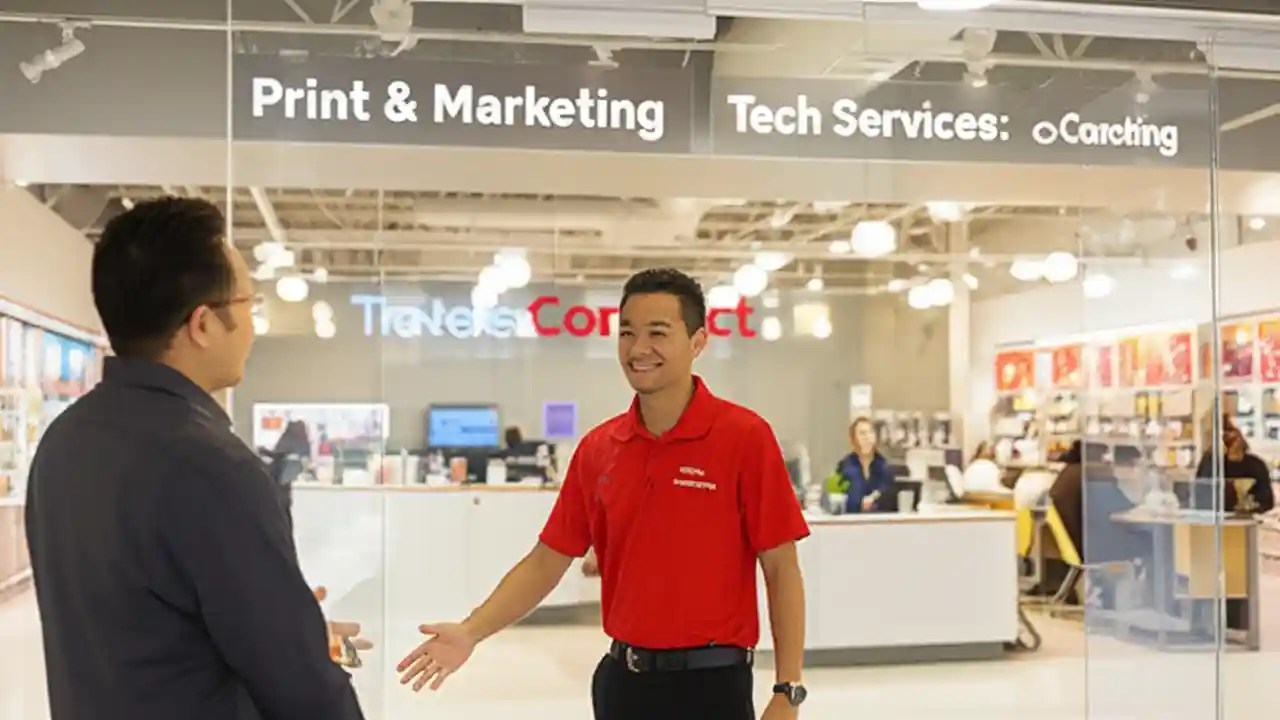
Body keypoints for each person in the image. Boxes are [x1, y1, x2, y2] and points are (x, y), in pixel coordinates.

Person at [397, 268, 811, 720]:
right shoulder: (600, 449)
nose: (638, 349)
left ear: (698, 342)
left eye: (658, 333)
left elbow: (781, 567)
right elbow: (545, 561)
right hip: (622, 684)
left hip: (710, 686)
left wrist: (787, 689)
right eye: (626, 333)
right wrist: (472, 631)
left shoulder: (744, 437)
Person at [25, 197, 368, 720]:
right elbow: (301, 689)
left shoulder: (64, 442)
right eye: (249, 305)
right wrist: (297, 644)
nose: (252, 328)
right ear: (203, 324)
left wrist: (293, 631)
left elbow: (141, 624)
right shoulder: (212, 467)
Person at [829, 416, 895, 513]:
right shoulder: (844, 466)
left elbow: (891, 499)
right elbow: (832, 497)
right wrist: (859, 503)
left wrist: (875, 499)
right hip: (851, 522)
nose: (867, 437)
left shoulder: (884, 466)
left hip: (879, 522)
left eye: (871, 433)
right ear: (854, 439)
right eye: (862, 434)